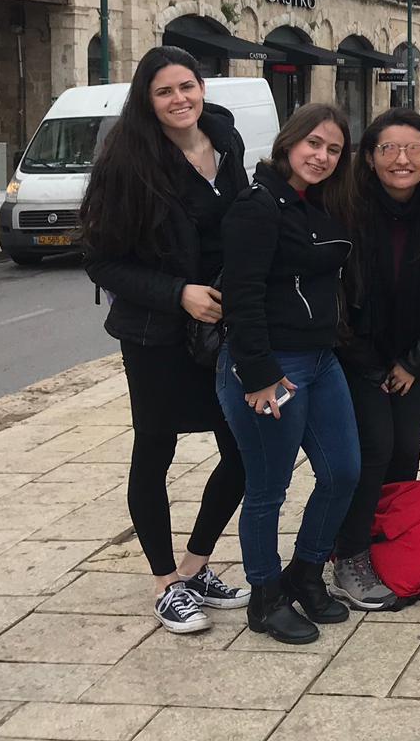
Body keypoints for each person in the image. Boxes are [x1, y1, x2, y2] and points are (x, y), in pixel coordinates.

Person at [81, 46, 250, 635]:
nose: (180, 99)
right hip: (155, 332)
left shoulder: (226, 141)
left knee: (243, 450)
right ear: (146, 101)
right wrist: (179, 292)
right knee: (155, 449)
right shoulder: (127, 162)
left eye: (187, 86)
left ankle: (195, 565)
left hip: (224, 329)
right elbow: (101, 261)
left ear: (201, 87)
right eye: (164, 91)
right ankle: (164, 582)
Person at [219, 104, 360, 645]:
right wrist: (259, 375)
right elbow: (243, 295)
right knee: (267, 489)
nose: (322, 156)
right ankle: (264, 597)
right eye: (314, 144)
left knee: (343, 471)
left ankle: (305, 570)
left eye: (333, 149)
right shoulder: (258, 206)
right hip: (269, 365)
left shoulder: (323, 203)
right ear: (289, 143)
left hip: (321, 360)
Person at [328, 108, 420, 609]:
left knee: (406, 449)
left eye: (414, 149)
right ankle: (349, 556)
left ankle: (387, 539)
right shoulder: (346, 210)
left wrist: (415, 359)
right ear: (369, 158)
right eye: (388, 148)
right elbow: (337, 298)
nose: (402, 159)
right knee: (374, 450)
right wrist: (371, 364)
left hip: (414, 357)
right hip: (358, 355)